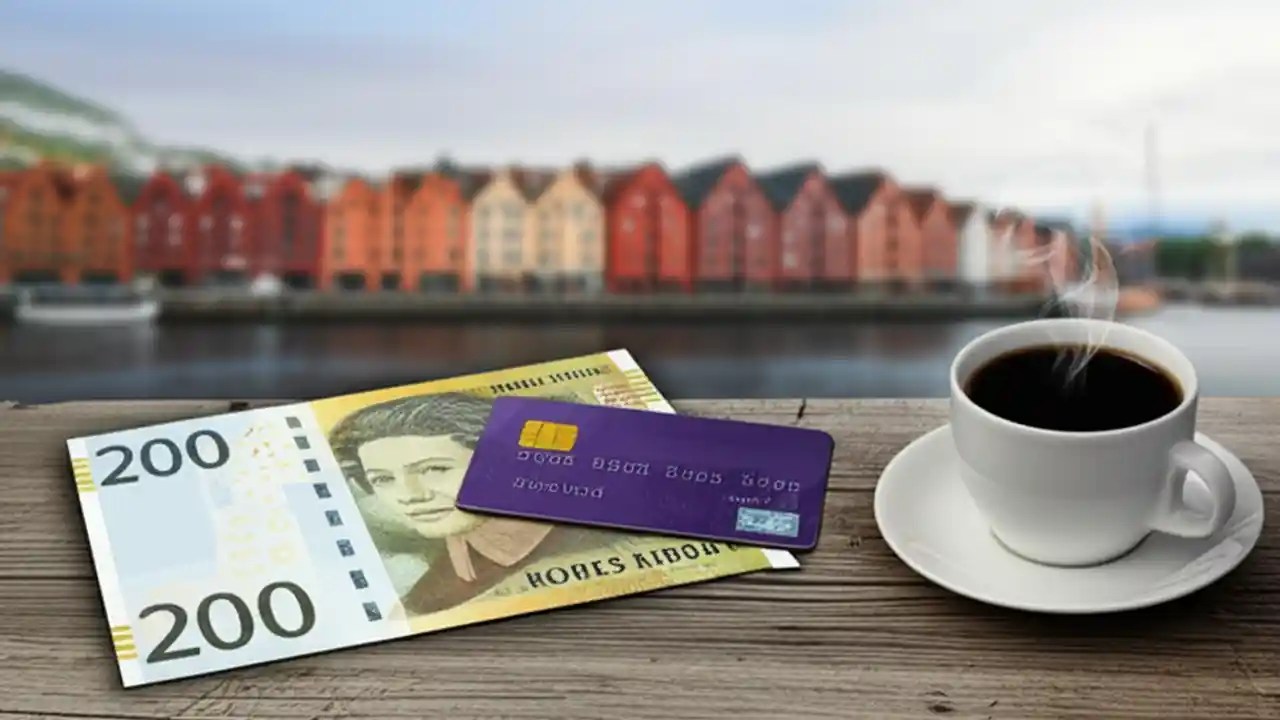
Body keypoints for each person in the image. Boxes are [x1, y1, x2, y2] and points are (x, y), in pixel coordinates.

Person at [328, 391, 614, 617]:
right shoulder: (460, 545)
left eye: (435, 469)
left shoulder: (591, 536)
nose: (410, 495)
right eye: (383, 479)